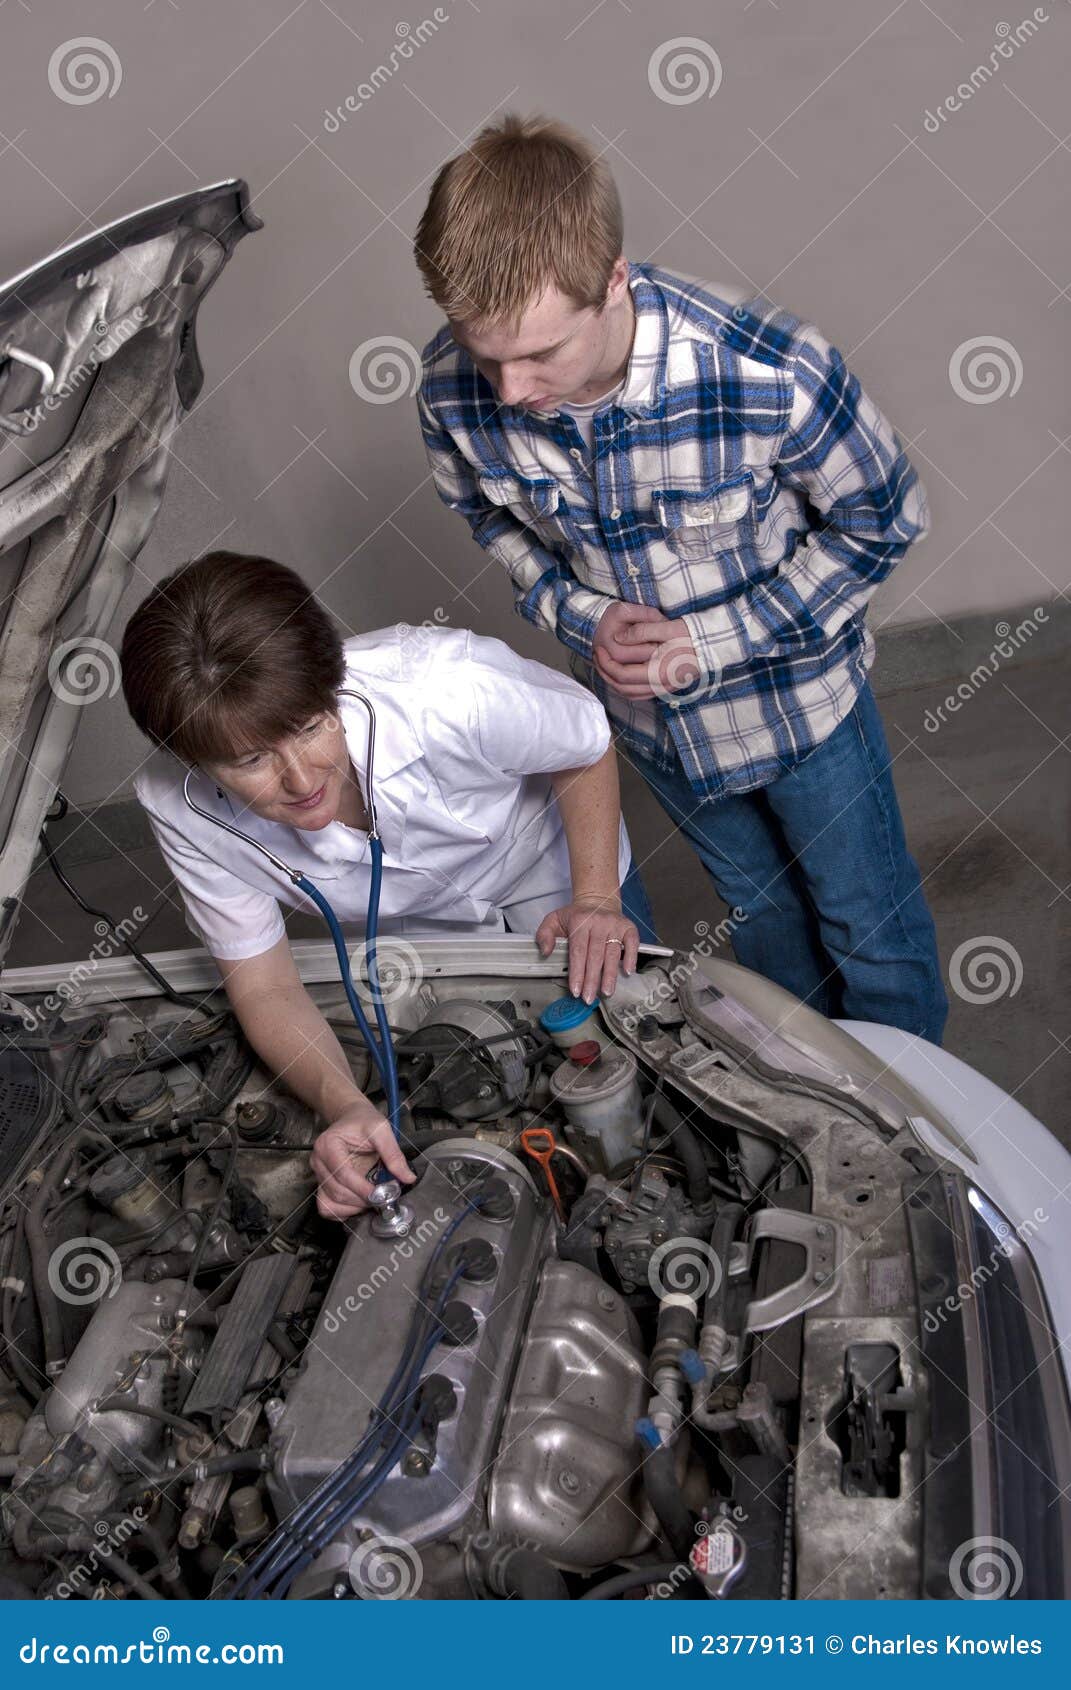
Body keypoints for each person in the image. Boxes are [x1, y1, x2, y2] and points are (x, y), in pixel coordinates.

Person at [412, 112, 948, 1045]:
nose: (509, 390)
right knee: (768, 930)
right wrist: (578, 615)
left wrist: (713, 637)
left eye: (539, 353)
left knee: (871, 937)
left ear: (613, 280)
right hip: (660, 736)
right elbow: (486, 517)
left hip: (801, 709)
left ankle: (923, 1144)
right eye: (484, 353)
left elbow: (884, 517)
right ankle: (823, 1108)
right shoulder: (449, 390)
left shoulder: (766, 366)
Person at [119, 550, 654, 1219]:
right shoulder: (177, 804)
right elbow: (266, 984)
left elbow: (583, 747)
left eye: (311, 726)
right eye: (252, 760)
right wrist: (345, 1106)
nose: (301, 779)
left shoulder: (448, 686)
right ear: (191, 761)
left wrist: (598, 898)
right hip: (412, 938)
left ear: (333, 682)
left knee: (634, 1062)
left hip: (557, 874)